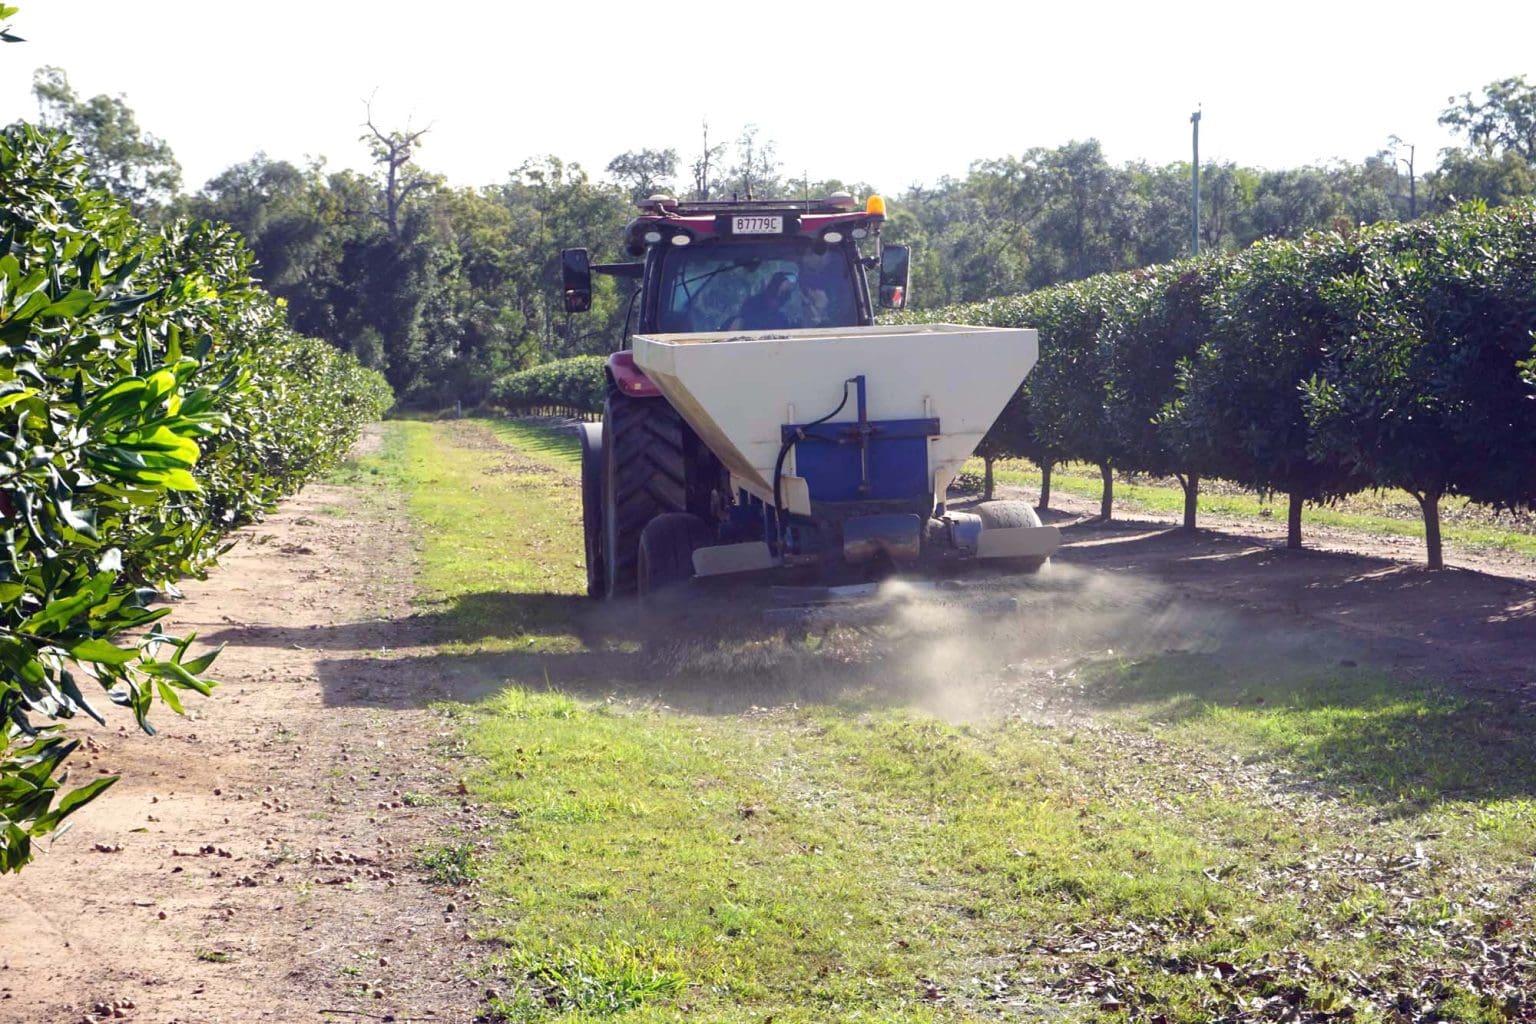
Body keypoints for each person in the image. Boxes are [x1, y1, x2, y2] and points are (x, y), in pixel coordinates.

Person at [729, 270, 801, 330]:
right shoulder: (751, 305)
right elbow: (737, 327)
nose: (784, 298)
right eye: (782, 293)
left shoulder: (782, 319)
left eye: (786, 294)